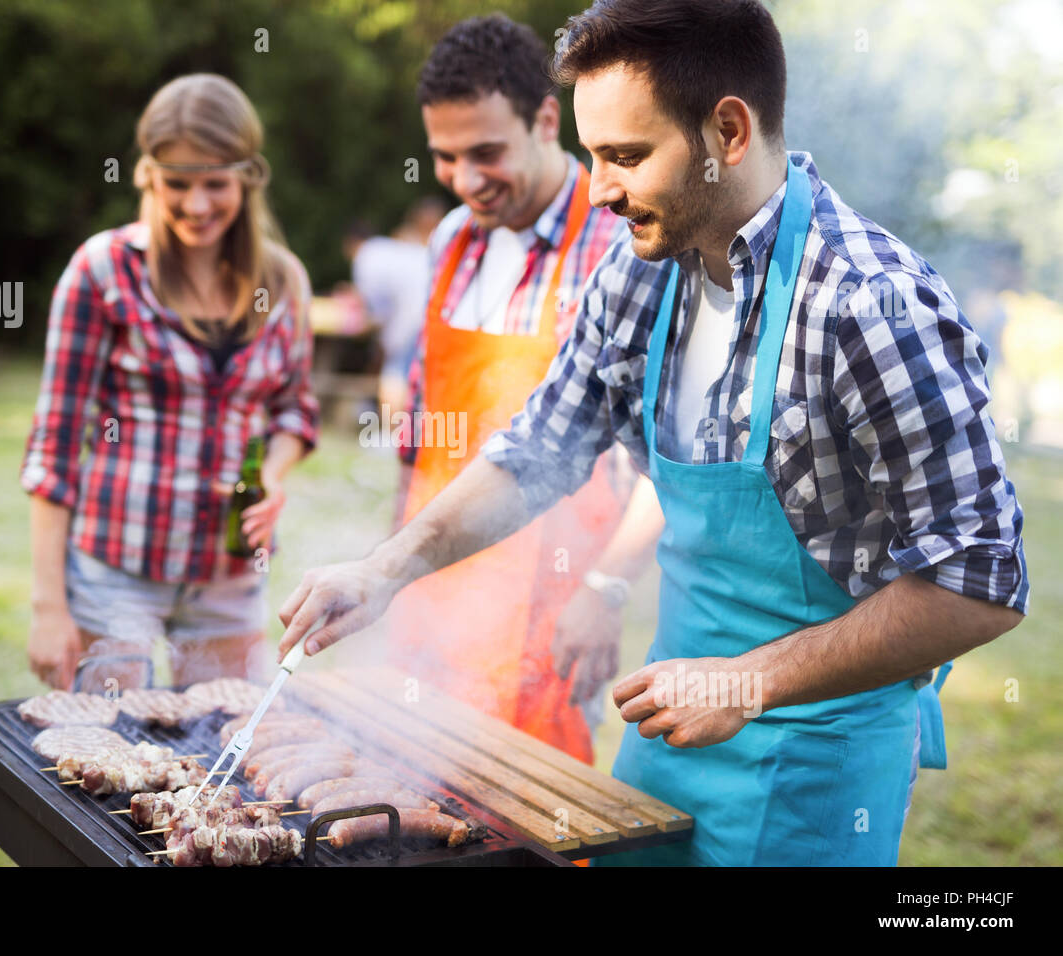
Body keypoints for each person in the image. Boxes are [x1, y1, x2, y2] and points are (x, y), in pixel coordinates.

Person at [277, 0, 1028, 867]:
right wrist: (387, 568)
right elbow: (535, 454)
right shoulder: (639, 273)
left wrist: (749, 681)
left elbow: (980, 580)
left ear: (729, 132)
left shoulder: (870, 305)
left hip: (816, 758)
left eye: (626, 157)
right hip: (664, 732)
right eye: (594, 156)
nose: (597, 188)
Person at [383, 13, 644, 764]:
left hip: (551, 599)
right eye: (445, 157)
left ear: (545, 119)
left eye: (486, 152)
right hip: (434, 583)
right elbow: (422, 419)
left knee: (531, 821)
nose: (466, 181)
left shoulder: (617, 238)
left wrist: (605, 585)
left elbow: (660, 450)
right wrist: (388, 560)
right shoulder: (450, 241)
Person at [22, 74, 318, 693]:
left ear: (248, 176)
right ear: (147, 176)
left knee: (222, 757)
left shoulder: (283, 282)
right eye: (177, 183)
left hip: (230, 576)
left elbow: (296, 412)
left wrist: (273, 477)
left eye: (216, 183)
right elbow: (53, 448)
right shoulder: (101, 272)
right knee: (107, 757)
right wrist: (49, 608)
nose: (197, 204)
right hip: (114, 571)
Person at [341, 196, 446, 411]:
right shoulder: (386, 249)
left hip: (415, 310)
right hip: (436, 304)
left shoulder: (365, 258)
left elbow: (375, 314)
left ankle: (394, 435)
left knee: (395, 372)